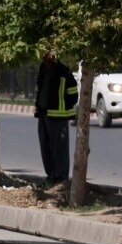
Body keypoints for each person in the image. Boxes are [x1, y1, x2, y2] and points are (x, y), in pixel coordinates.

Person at [34, 52, 78, 186]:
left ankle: (61, 179)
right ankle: (51, 176)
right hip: (44, 114)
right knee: (46, 148)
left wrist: (63, 105)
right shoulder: (42, 69)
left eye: (48, 56)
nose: (45, 58)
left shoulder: (63, 72)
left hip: (58, 116)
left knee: (59, 148)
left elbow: (73, 95)